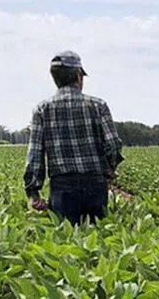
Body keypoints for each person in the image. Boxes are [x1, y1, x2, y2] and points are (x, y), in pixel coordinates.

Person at [23, 50, 124, 226]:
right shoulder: (98, 105)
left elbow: (35, 155)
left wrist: (33, 192)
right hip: (95, 183)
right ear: (78, 76)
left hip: (63, 187)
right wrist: (110, 170)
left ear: (55, 79)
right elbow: (113, 144)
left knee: (67, 243)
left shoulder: (42, 109)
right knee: (99, 241)